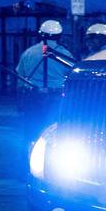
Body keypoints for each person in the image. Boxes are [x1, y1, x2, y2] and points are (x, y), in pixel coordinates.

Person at [15, 20, 74, 151]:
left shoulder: (28, 53)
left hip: (33, 96)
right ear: (59, 35)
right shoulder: (65, 54)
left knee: (31, 130)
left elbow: (20, 80)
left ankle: (28, 158)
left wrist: (19, 103)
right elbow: (71, 78)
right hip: (56, 97)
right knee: (52, 129)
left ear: (41, 34)